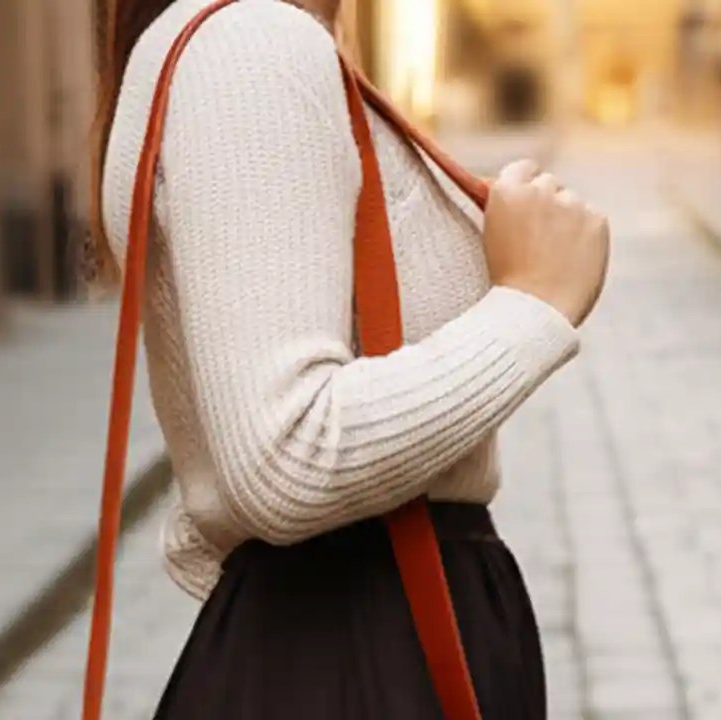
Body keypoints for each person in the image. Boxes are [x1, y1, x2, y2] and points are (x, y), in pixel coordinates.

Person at [89, 0, 610, 716]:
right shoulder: (252, 48)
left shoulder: (243, 46)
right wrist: (533, 305)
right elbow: (284, 454)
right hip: (366, 650)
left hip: (354, 640)